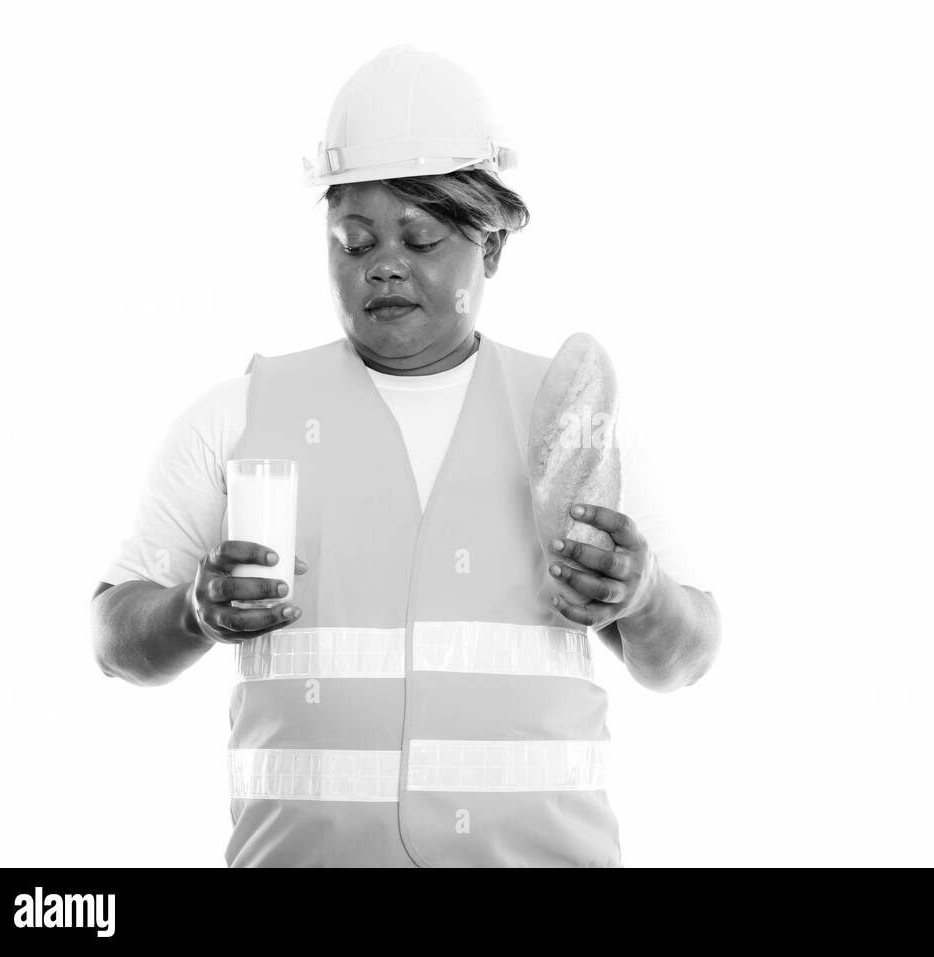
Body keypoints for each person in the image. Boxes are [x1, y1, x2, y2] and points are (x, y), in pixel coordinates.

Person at [90, 46, 721, 867]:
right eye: (354, 243)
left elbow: (688, 657)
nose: (383, 265)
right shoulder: (239, 416)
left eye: (420, 239)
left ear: (490, 249)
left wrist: (643, 594)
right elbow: (112, 637)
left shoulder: (577, 420)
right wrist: (190, 613)